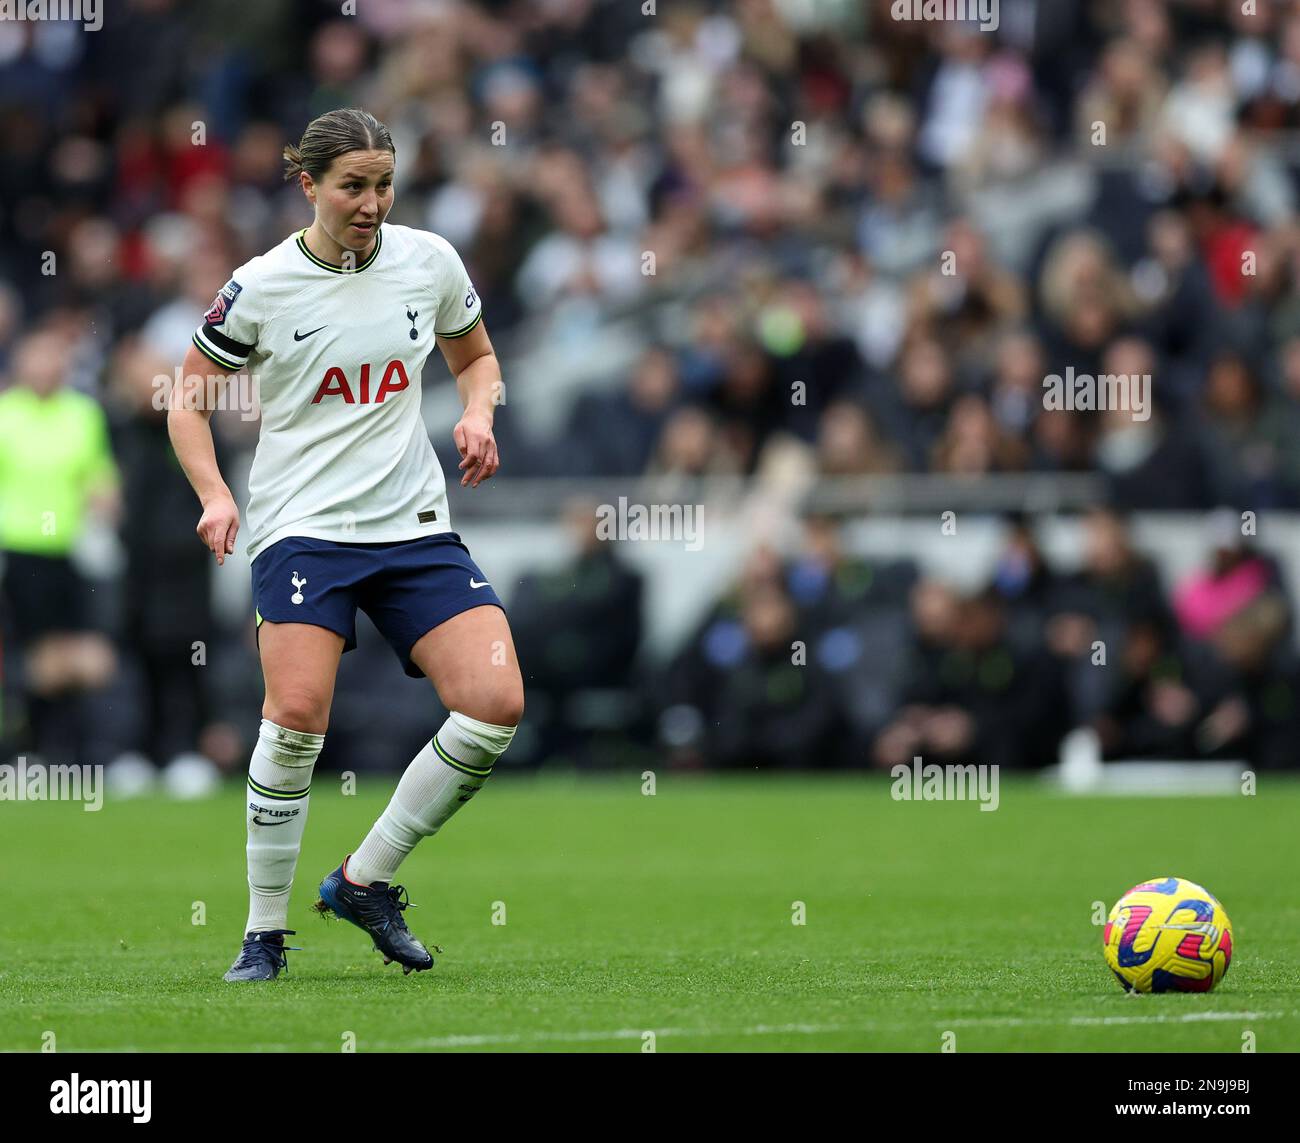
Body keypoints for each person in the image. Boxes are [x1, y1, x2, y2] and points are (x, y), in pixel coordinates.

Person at [167, 109, 524, 981]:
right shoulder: (262, 285)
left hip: (412, 526)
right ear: (309, 186)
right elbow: (187, 397)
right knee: (295, 715)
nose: (371, 203)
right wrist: (215, 495)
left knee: (496, 701)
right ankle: (262, 933)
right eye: (352, 186)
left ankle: (365, 879)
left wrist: (477, 412)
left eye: (383, 184)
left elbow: (475, 356)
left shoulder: (428, 260)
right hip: (303, 529)